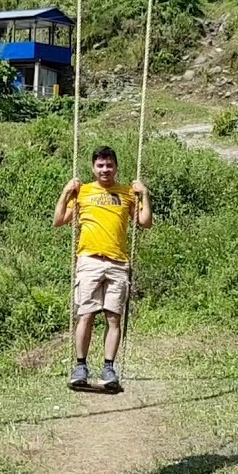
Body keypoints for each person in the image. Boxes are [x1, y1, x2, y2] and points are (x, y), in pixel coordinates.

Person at [53, 146, 154, 390]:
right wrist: (66, 193)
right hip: (89, 260)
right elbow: (58, 221)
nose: (105, 169)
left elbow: (145, 222)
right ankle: (81, 366)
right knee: (86, 314)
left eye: (109, 165)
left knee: (113, 317)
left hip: (118, 262)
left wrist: (145, 194)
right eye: (100, 165)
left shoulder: (128, 193)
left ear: (116, 168)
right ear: (93, 168)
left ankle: (109, 369)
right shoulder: (83, 192)